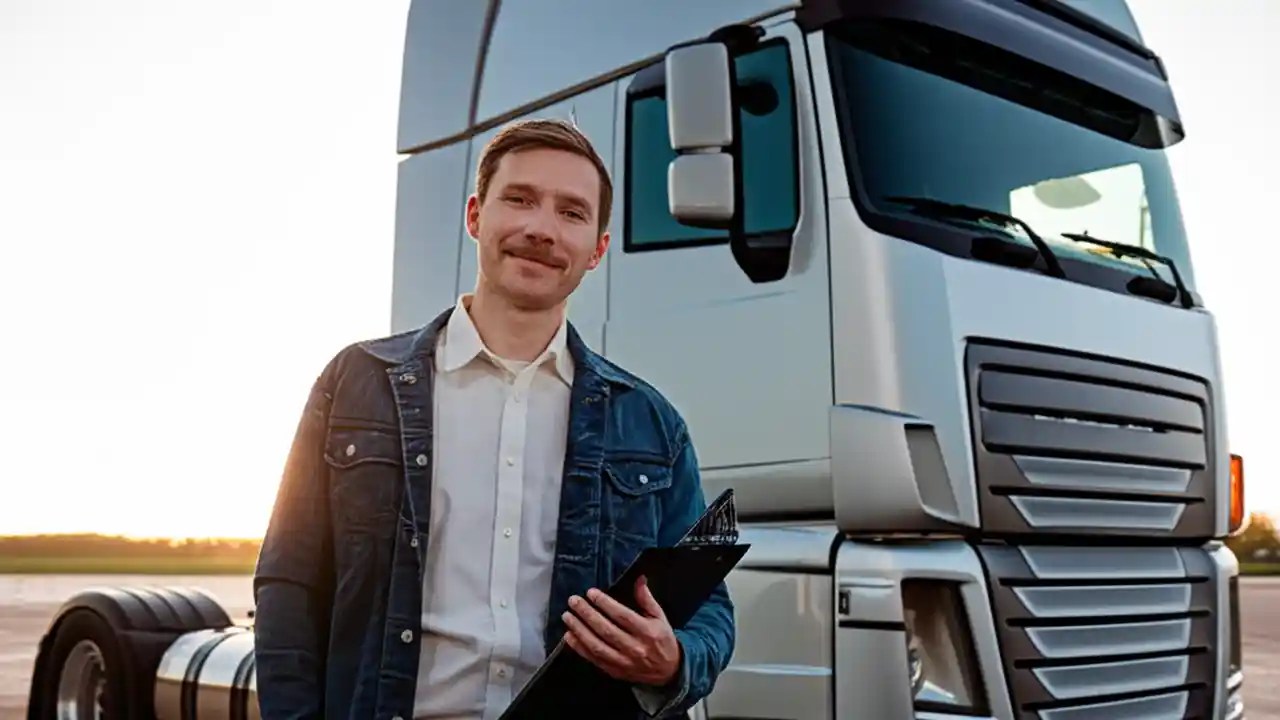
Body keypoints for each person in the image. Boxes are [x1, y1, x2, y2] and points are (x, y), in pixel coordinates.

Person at [252, 118, 736, 720]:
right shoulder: (356, 386)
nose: (541, 229)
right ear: (476, 216)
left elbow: (708, 606)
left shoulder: (652, 424)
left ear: (598, 250)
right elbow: (288, 588)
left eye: (571, 212)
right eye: (520, 199)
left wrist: (675, 660)